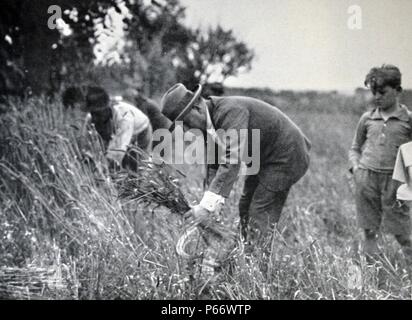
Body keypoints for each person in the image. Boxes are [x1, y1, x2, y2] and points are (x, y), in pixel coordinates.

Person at [160, 83, 311, 272]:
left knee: (259, 212)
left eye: (186, 122)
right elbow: (215, 164)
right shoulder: (209, 124)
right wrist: (208, 206)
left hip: (287, 154)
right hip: (263, 158)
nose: (186, 129)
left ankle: (256, 274)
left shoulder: (230, 112)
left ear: (197, 107)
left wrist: (207, 206)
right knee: (244, 205)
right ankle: (243, 260)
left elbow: (232, 159)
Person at [349, 65, 412, 270]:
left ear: (397, 91)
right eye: (373, 92)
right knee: (369, 231)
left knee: (403, 233)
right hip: (366, 179)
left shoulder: (408, 119)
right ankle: (374, 277)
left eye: (382, 92)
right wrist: (356, 169)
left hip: (395, 183)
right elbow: (355, 148)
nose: (377, 97)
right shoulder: (367, 118)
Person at [84, 86, 153, 171]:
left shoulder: (124, 117)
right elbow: (88, 147)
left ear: (107, 108)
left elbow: (117, 151)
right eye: (92, 113)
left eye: (98, 113)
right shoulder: (90, 118)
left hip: (141, 132)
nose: (95, 118)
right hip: (118, 133)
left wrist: (104, 167)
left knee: (138, 168)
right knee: (117, 169)